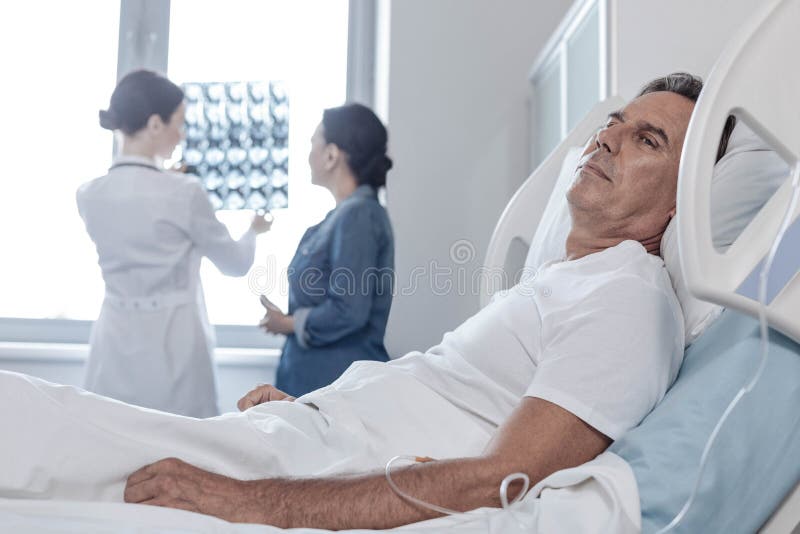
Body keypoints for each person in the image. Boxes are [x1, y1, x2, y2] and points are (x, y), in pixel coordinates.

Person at [1, 73, 715, 530]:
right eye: (615, 122)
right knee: (45, 430)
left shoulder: (626, 299)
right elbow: (446, 400)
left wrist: (256, 502)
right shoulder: (564, 281)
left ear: (685, 199)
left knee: (42, 431)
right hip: (315, 432)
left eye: (646, 138)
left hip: (309, 471)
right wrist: (310, 409)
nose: (607, 139)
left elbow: (501, 477)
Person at [76, 70, 272, 417]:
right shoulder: (184, 193)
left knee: (112, 443)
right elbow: (235, 264)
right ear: (154, 124)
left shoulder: (88, 194)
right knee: (181, 453)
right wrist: (254, 230)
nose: (181, 135)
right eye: (178, 124)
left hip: (114, 345)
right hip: (175, 346)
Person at [258, 103, 395, 397]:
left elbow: (349, 309)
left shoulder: (357, 216)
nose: (308, 153)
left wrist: (288, 323)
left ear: (332, 155)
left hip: (335, 388)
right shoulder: (340, 218)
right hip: (315, 384)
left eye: (313, 142)